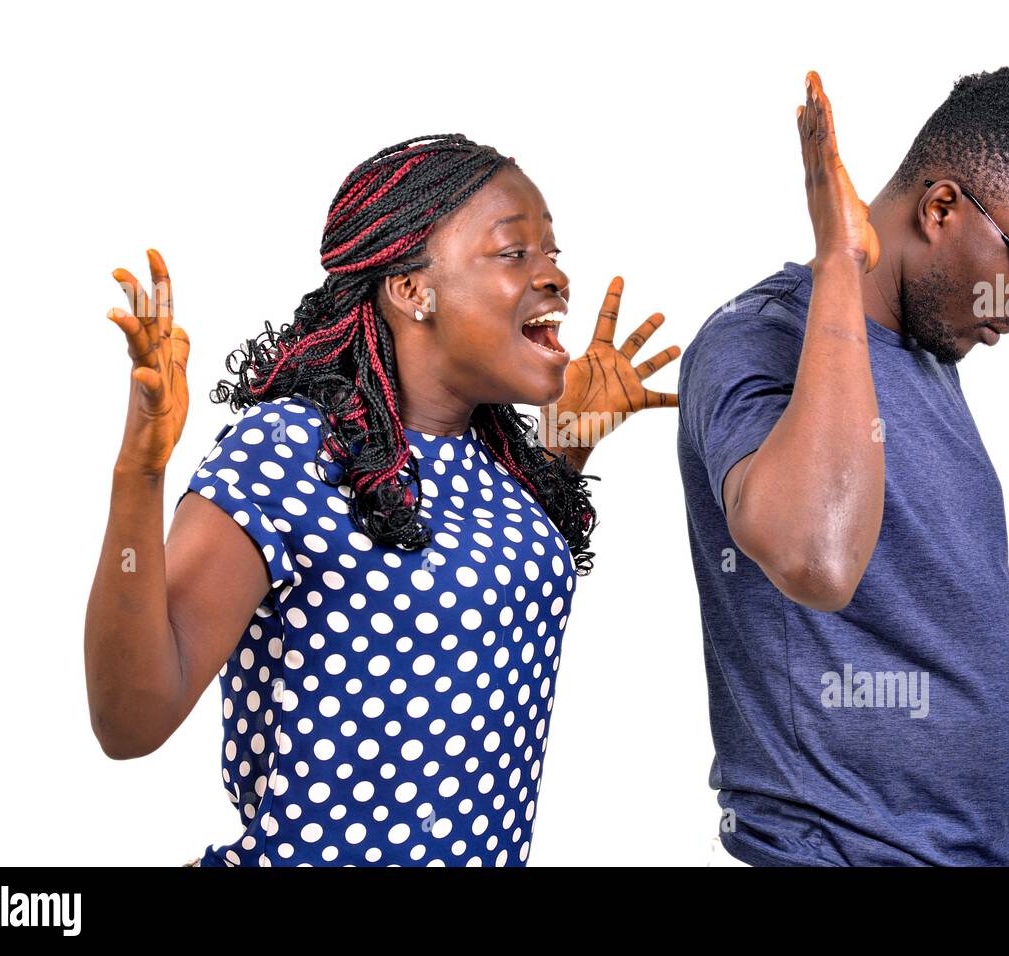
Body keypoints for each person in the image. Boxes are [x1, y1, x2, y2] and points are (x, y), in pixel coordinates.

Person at [85, 134, 679, 866]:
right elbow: (130, 721)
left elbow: (471, 594)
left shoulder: (503, 465)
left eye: (553, 253)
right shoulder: (288, 450)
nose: (555, 277)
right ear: (411, 289)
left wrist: (569, 446)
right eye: (513, 252)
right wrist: (138, 475)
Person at [676, 69, 1009, 867]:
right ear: (941, 207)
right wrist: (836, 263)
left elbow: (907, 621)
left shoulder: (926, 364)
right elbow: (815, 558)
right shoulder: (755, 338)